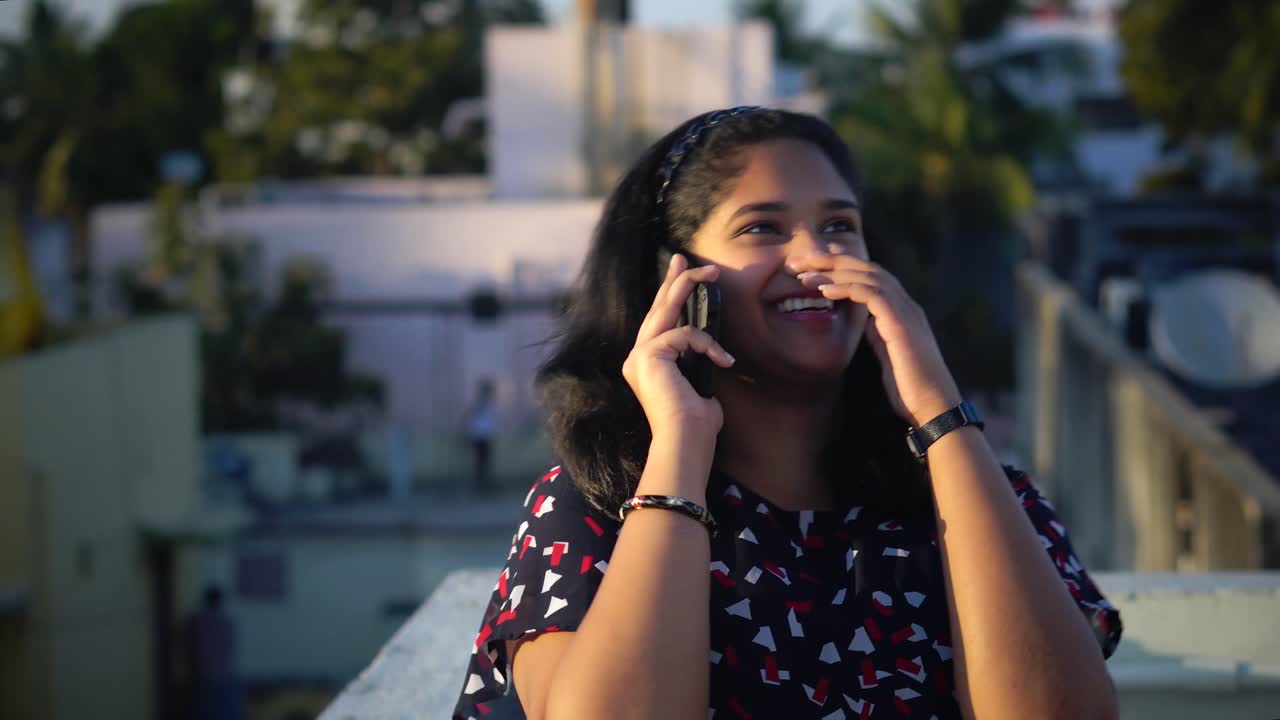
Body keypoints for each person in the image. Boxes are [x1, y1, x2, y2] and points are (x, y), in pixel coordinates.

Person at [451, 108, 1121, 719]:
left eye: (839, 227)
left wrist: (942, 415)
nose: (817, 258)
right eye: (763, 228)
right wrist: (682, 443)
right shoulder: (594, 510)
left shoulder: (977, 495)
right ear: (678, 281)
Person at [465, 378, 498, 493]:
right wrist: (469, 436)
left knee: (485, 462)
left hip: (486, 437)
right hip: (479, 438)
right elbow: (471, 421)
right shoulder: (479, 404)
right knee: (480, 463)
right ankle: (481, 486)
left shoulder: (488, 404)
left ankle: (484, 485)